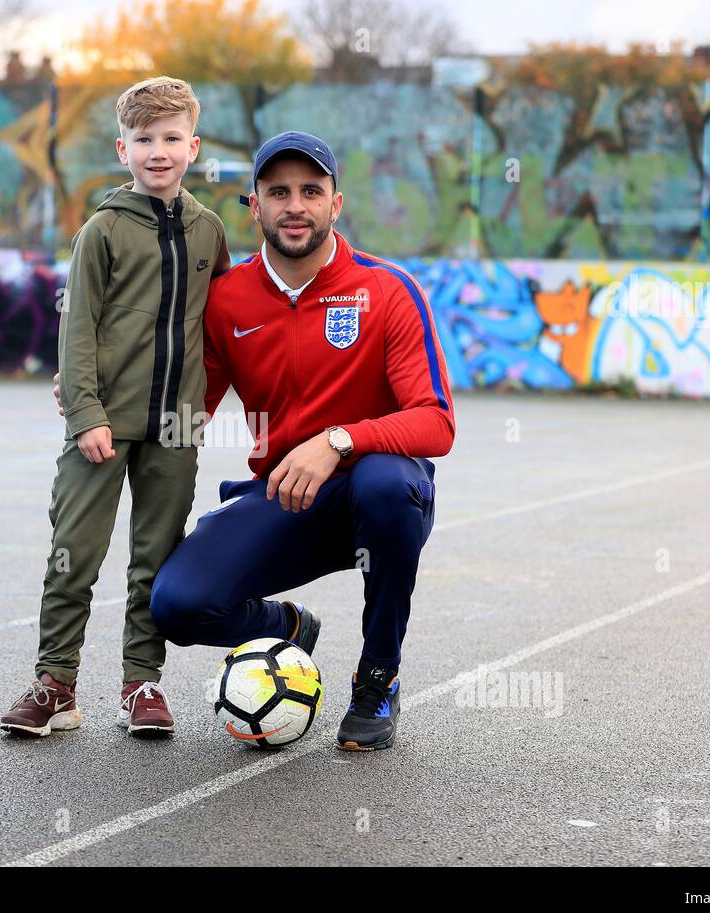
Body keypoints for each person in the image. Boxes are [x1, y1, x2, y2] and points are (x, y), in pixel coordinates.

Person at [54, 131, 456, 751]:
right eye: (278, 193)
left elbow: (436, 423)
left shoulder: (388, 291)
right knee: (179, 605)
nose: (296, 206)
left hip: (375, 496)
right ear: (255, 206)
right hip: (287, 497)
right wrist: (99, 399)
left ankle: (378, 679)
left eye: (311, 192)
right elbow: (192, 408)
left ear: (336, 204)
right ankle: (289, 625)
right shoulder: (228, 300)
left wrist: (339, 441)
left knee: (387, 485)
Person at [0, 76, 231, 738]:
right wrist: (84, 412)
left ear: (192, 146)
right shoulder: (101, 231)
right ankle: (55, 686)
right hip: (100, 424)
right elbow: (76, 333)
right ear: (121, 148)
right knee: (73, 552)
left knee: (155, 561)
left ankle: (141, 685)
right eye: (142, 140)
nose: (156, 151)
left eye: (169, 138)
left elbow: (220, 329)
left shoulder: (210, 232)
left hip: (175, 430)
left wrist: (203, 408)